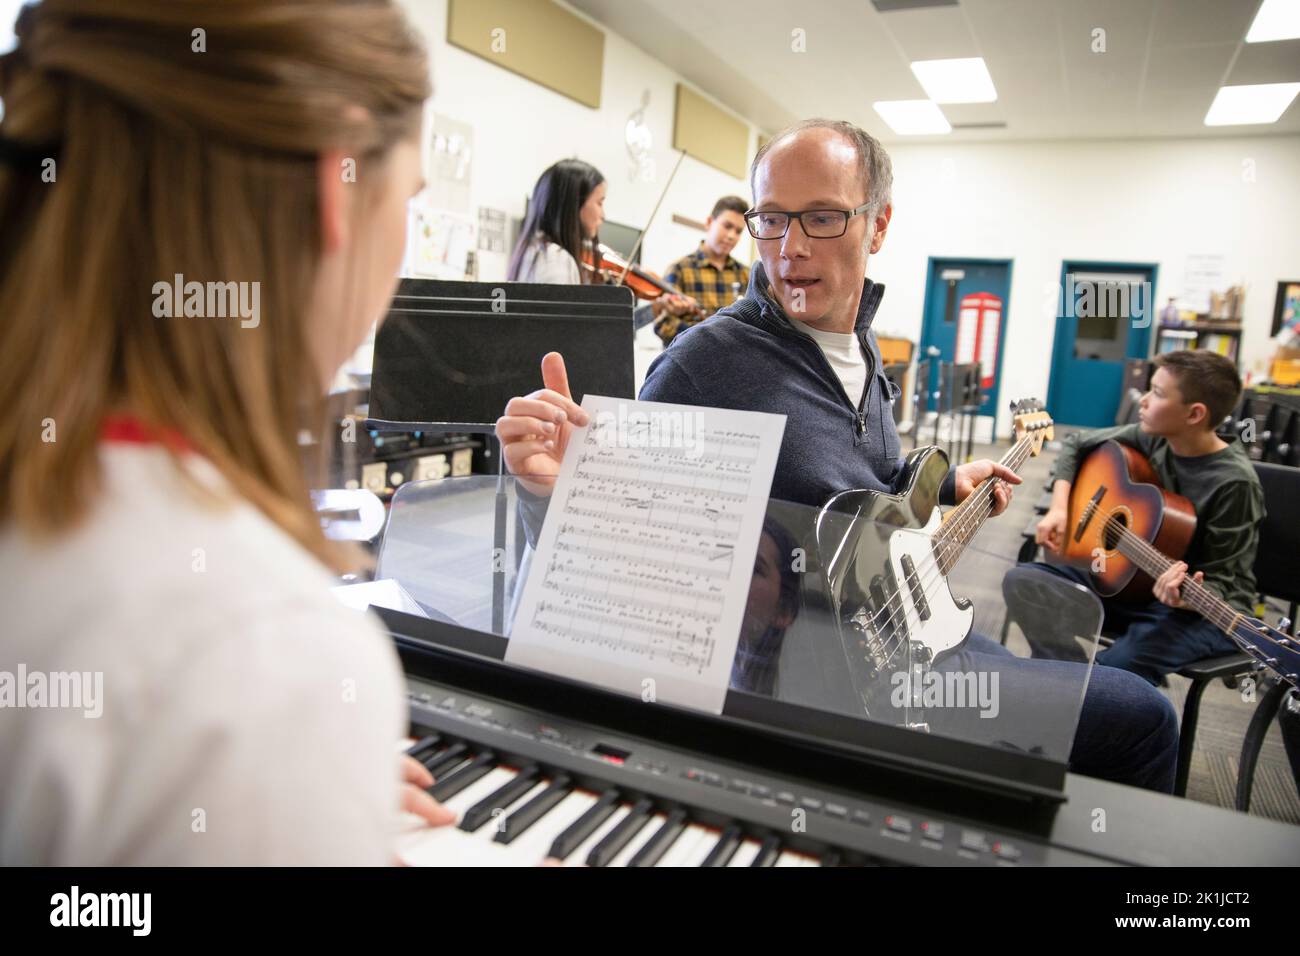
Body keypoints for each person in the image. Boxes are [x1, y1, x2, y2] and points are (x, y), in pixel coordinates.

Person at [496, 118, 1179, 792]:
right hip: (832, 681)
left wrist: (943, 486)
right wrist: (548, 496)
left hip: (914, 624)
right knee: (1145, 714)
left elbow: (868, 481)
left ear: (878, 225)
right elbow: (609, 563)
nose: (788, 247)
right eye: (770, 219)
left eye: (822, 218)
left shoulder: (864, 344)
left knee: (1082, 712)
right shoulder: (704, 365)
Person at [0, 0, 458, 864]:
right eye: (410, 199)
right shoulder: (257, 650)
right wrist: (274, 747)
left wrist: (268, 786)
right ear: (339, 187)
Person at [1035, 350, 1265, 686]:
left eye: (1157, 393)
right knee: (1031, 583)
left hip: (1204, 614)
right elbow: (1075, 443)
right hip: (1137, 584)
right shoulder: (1154, 435)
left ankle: (1093, 696)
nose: (1142, 400)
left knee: (1110, 671)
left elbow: (1225, 585)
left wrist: (1185, 594)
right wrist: (1060, 509)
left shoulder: (1235, 484)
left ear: (1194, 414)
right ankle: (1068, 688)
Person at [506, 158, 699, 328]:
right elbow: (568, 336)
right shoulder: (555, 260)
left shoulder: (537, 251)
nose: (603, 215)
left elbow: (597, 331)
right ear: (574, 204)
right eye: (599, 203)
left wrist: (657, 308)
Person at [655, 195, 751, 345]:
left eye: (738, 231)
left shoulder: (747, 274)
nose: (732, 236)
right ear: (708, 223)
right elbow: (663, 325)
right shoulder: (679, 269)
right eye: (727, 226)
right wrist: (707, 338)